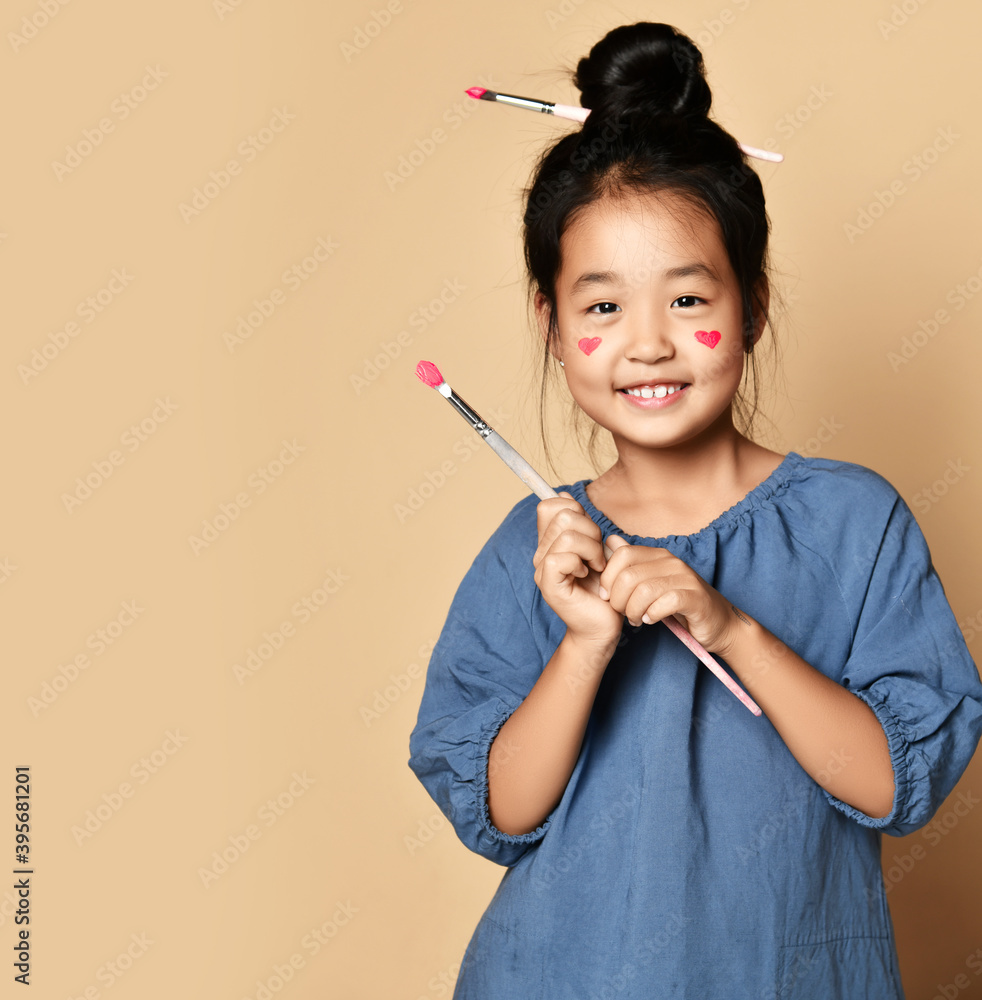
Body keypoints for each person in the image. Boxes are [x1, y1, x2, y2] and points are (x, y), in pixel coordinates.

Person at [408, 22, 982, 999]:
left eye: (686, 299)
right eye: (601, 307)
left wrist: (725, 623)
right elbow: (499, 811)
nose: (647, 345)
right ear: (550, 325)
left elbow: (894, 785)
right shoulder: (533, 551)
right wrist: (583, 645)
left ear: (752, 304)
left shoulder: (856, 524)